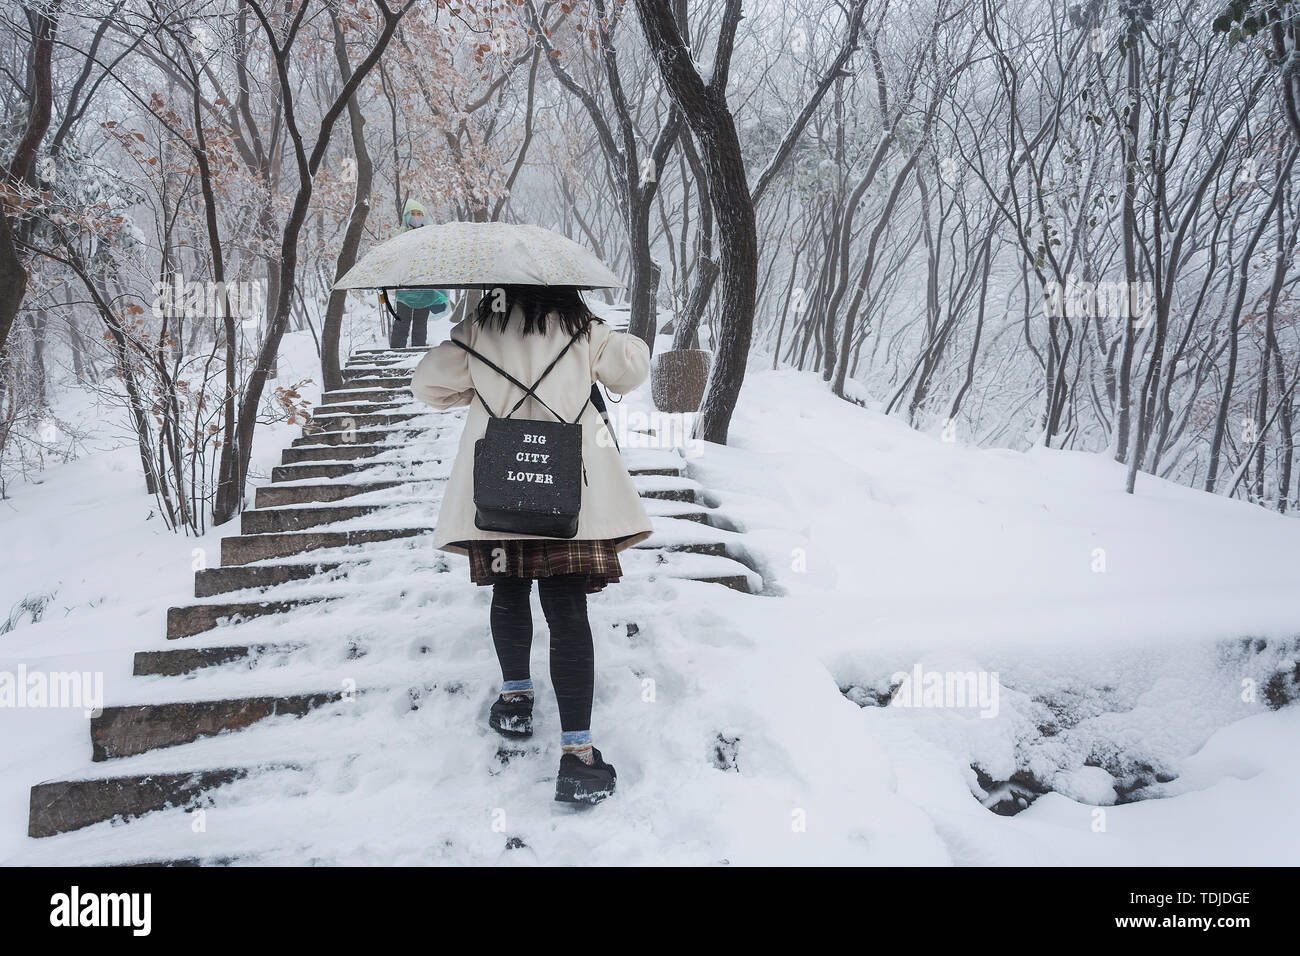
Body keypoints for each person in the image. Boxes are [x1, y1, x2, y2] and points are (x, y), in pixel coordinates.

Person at [409, 285, 652, 804]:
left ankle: (516, 700)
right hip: (570, 493)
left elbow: (427, 384)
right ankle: (578, 759)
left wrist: (477, 378)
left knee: (509, 589)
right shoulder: (584, 330)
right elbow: (630, 372)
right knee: (566, 610)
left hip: (500, 486)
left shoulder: (482, 330)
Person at [387, 198, 448, 348]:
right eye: (412, 213)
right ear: (407, 216)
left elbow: (436, 259)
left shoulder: (430, 237)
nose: (415, 217)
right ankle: (395, 353)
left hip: (424, 286)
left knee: (420, 325)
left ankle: (417, 355)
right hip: (405, 286)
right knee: (402, 322)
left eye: (419, 213)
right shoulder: (399, 236)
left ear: (423, 216)